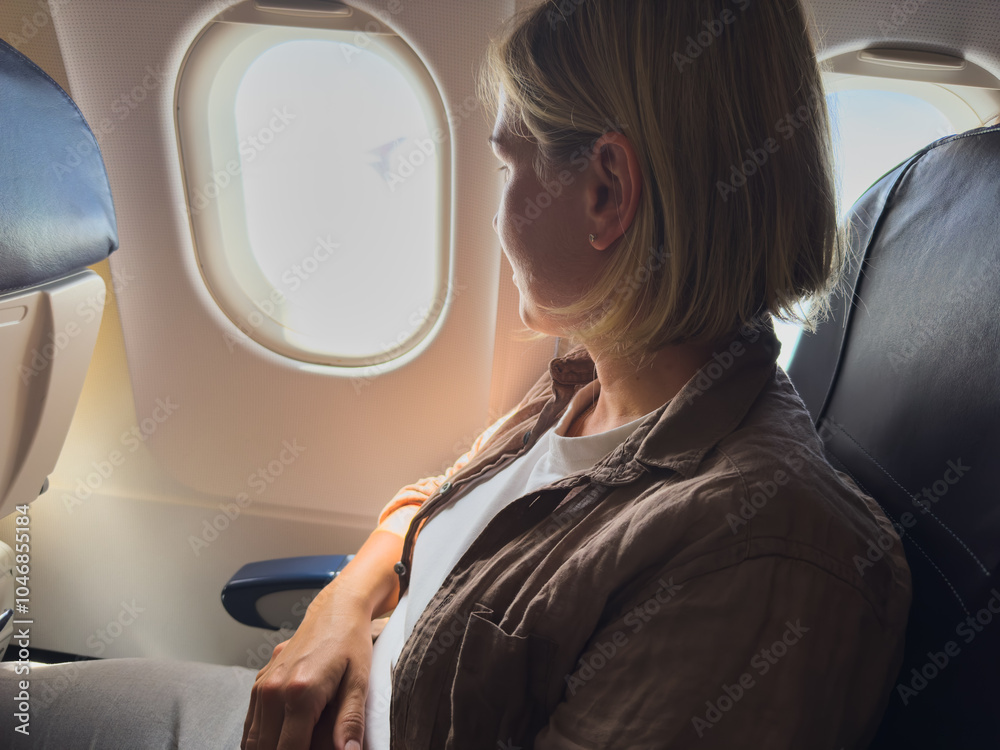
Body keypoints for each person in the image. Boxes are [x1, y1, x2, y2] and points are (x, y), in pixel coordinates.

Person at [1, 0, 911, 748]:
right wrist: (338, 611)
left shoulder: (756, 559)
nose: (497, 210)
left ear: (606, 191)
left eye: (510, 162)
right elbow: (436, 500)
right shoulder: (592, 383)